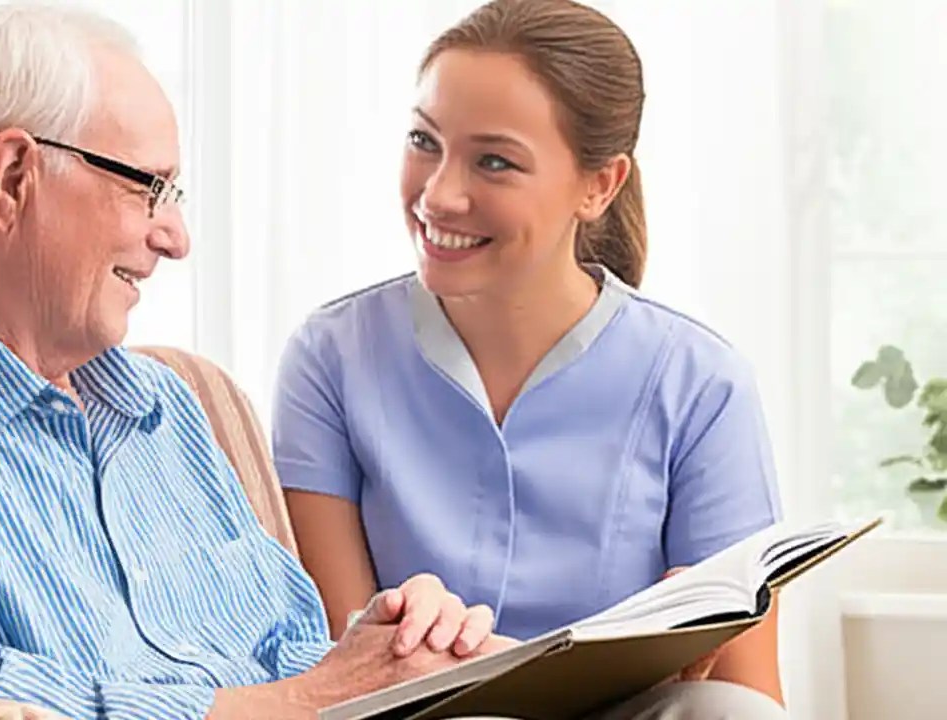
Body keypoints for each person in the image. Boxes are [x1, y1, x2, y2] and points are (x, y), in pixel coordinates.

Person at [0, 5, 507, 719]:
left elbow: (291, 654)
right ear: (12, 179)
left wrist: (396, 652)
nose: (176, 238)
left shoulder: (164, 407)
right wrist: (310, 699)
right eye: (148, 188)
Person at [271, 0, 789, 717]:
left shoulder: (700, 382)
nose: (438, 195)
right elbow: (342, 668)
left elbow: (747, 692)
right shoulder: (331, 357)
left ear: (599, 185)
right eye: (424, 141)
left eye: (494, 161)